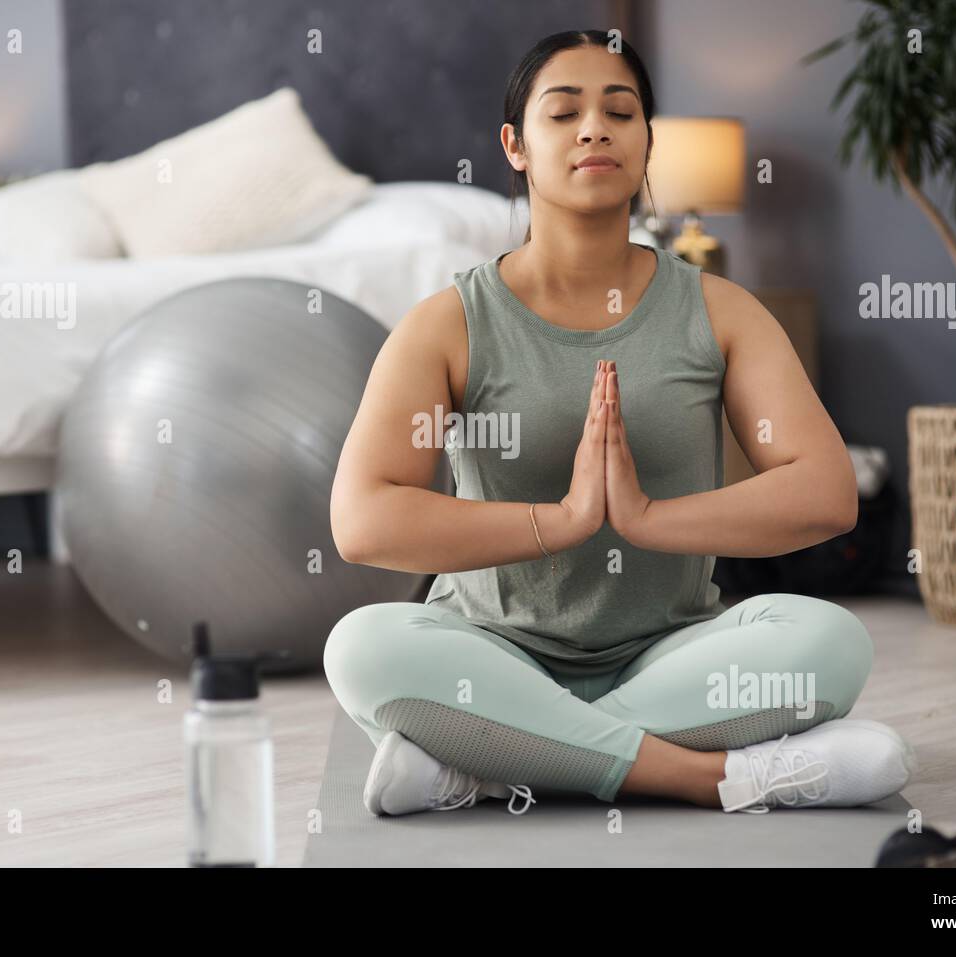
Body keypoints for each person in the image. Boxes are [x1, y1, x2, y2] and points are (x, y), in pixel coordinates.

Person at [325, 29, 915, 817]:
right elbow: (364, 519)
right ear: (516, 146)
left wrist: (645, 516)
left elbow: (825, 492)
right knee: (363, 646)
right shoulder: (448, 323)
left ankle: (491, 760)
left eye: (620, 111)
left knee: (831, 643)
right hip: (490, 653)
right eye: (563, 112)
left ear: (647, 143)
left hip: (671, 657)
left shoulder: (719, 310)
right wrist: (560, 520)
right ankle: (707, 775)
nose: (594, 129)